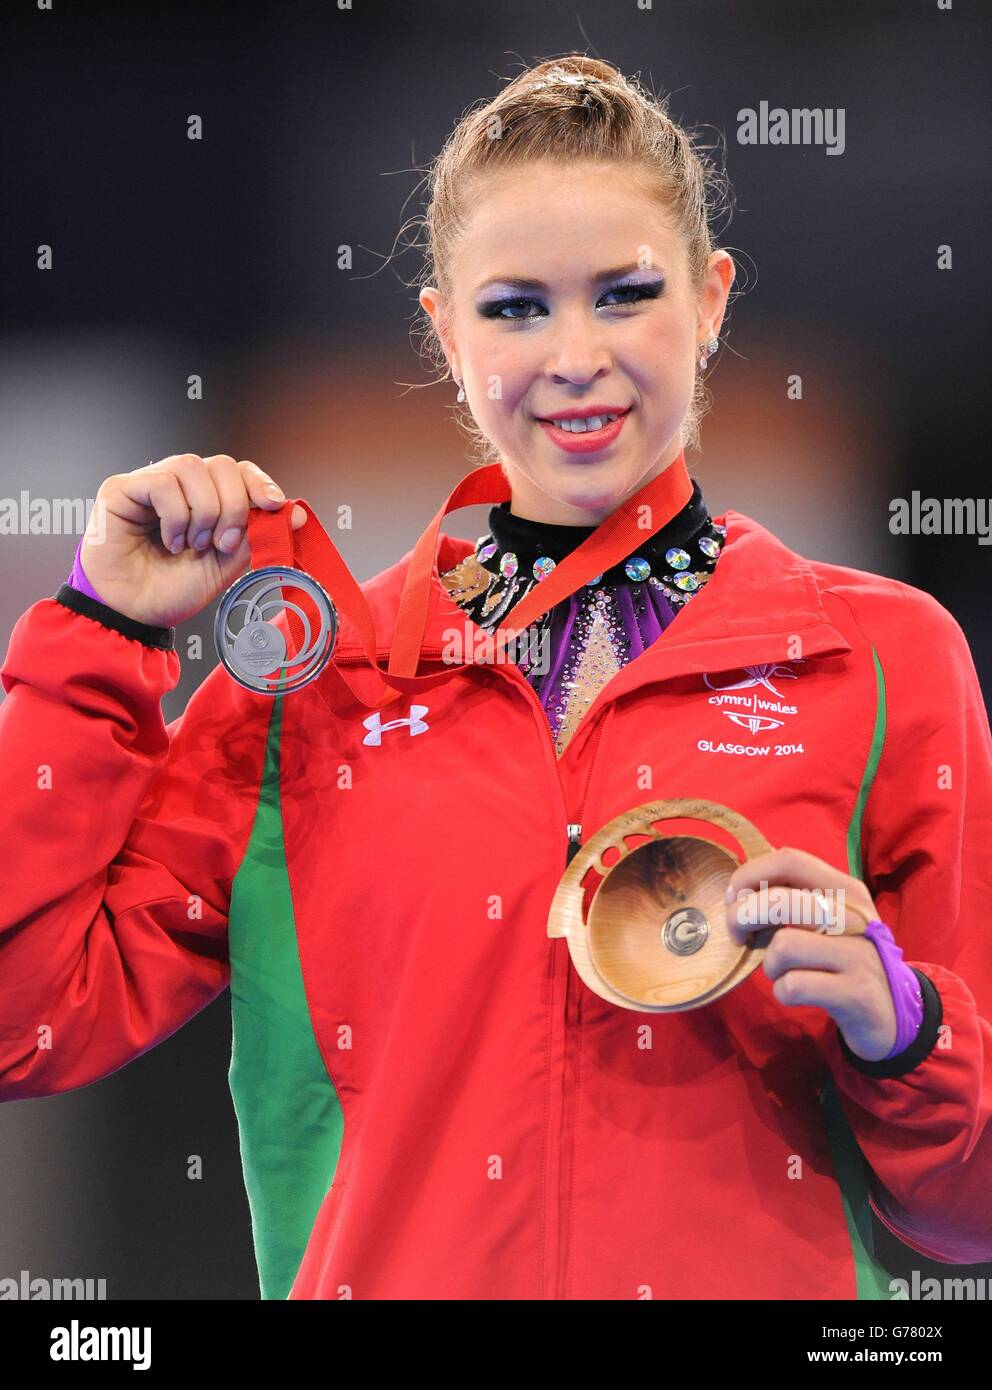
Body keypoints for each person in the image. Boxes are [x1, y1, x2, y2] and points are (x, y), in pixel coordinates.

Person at [1, 53, 991, 1302]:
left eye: (624, 294)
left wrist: (901, 1032)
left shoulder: (885, 662)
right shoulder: (315, 689)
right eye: (514, 306)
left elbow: (970, 1211)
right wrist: (100, 633)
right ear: (442, 329)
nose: (572, 355)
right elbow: (21, 1025)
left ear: (711, 300)